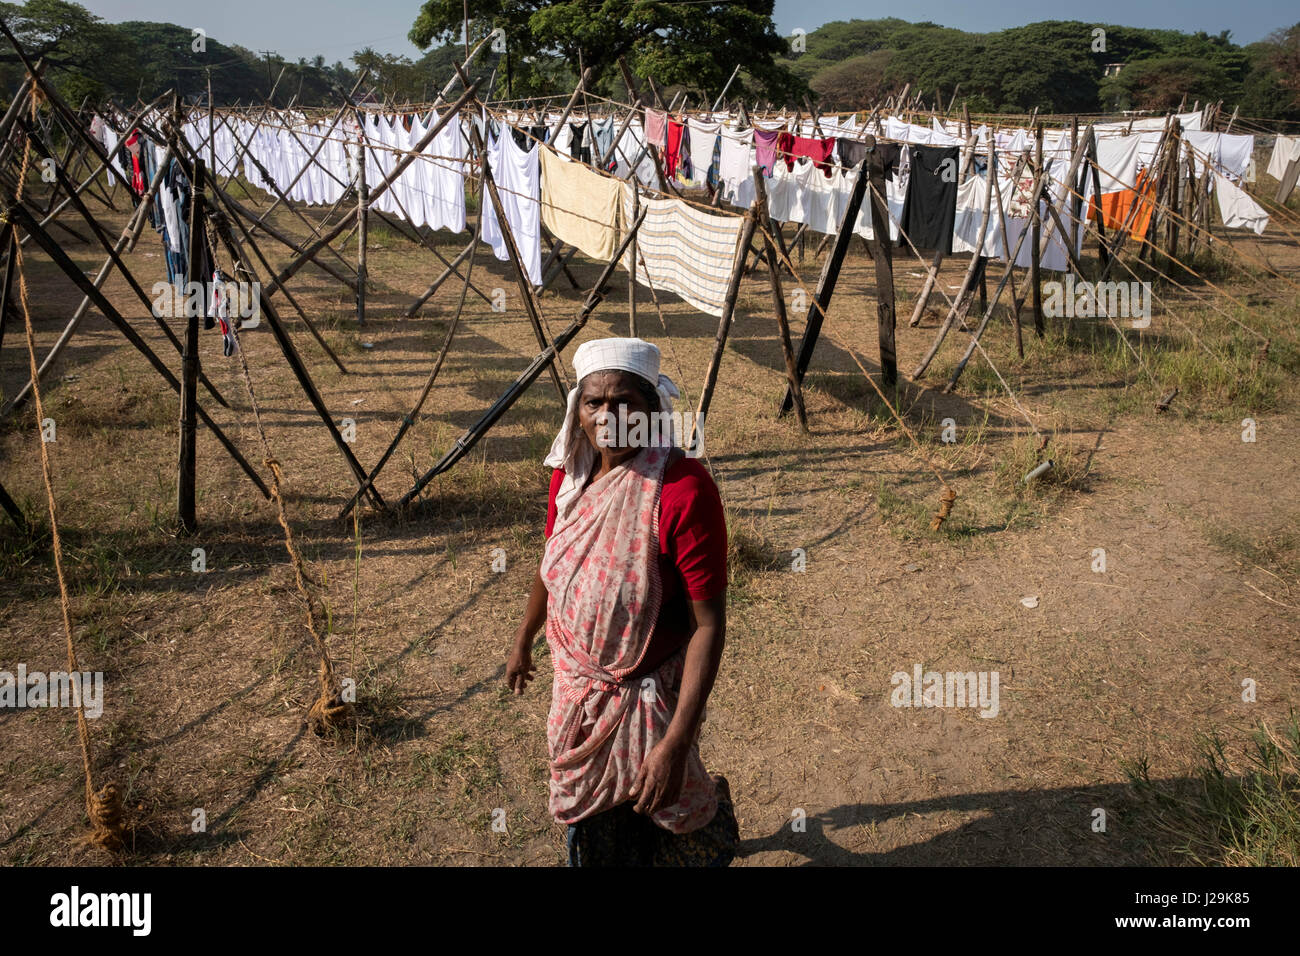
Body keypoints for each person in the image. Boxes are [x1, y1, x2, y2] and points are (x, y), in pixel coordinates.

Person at [507, 337, 738, 866]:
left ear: (652, 409)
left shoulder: (683, 490)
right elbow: (554, 561)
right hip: (576, 688)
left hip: (648, 698)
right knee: (596, 830)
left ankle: (710, 814)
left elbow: (709, 624)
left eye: (624, 401)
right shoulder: (570, 477)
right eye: (594, 402)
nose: (608, 415)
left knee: (673, 820)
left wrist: (677, 741)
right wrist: (524, 637)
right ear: (577, 411)